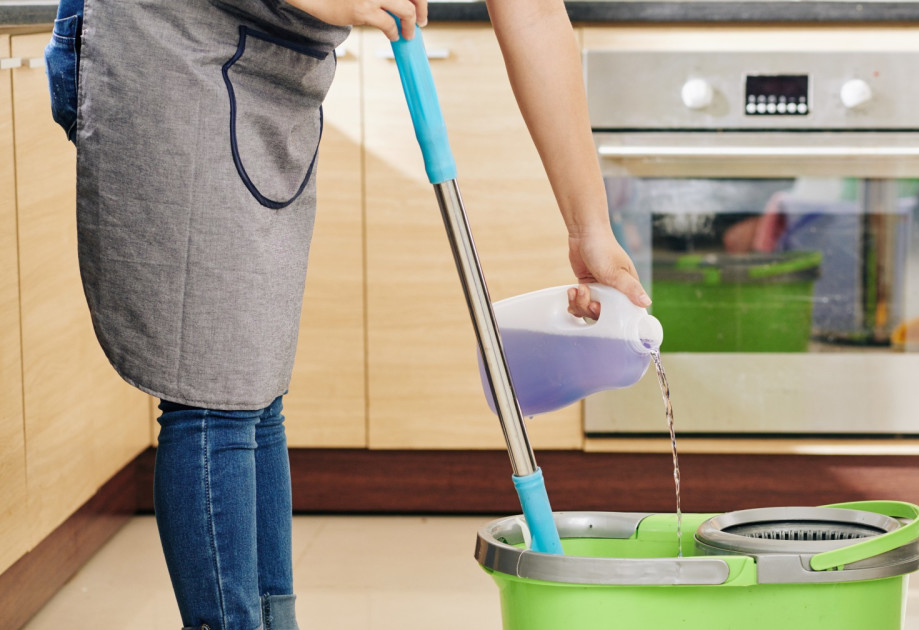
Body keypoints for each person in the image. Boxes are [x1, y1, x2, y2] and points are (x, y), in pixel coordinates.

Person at [45, 0, 649, 628]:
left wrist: (590, 229)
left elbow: (534, 15)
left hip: (272, 59)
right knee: (213, 388)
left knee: (251, 382)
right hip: (172, 39)